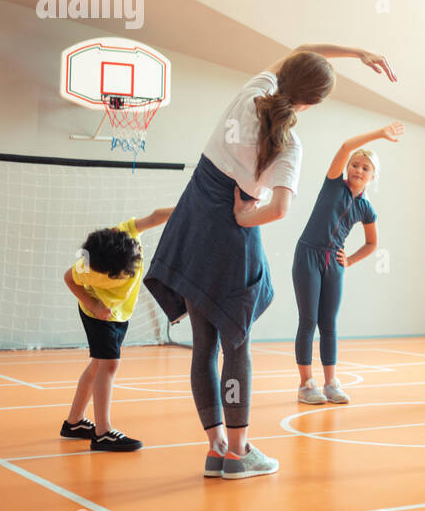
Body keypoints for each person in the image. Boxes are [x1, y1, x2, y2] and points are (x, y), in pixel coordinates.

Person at [144, 44, 395, 480]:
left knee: (204, 346)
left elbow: (300, 49)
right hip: (230, 236)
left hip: (192, 224)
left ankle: (217, 448)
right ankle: (239, 452)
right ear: (311, 103)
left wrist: (355, 53)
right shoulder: (290, 144)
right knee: (236, 343)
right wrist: (245, 216)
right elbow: (279, 209)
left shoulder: (250, 93)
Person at [294, 123, 403, 405]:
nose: (357, 170)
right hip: (308, 254)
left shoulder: (366, 207)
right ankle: (306, 384)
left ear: (372, 176)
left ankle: (331, 383)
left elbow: (372, 244)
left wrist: (349, 261)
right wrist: (379, 134)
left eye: (365, 168)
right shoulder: (333, 184)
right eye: (355, 165)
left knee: (329, 323)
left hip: (334, 263)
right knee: (308, 320)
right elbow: (345, 147)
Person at [60, 207, 173, 451]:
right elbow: (68, 278)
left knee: (99, 365)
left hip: (118, 313)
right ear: (110, 272)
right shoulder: (89, 270)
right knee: (109, 364)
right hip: (98, 314)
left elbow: (154, 217)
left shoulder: (122, 234)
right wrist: (94, 304)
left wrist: (189, 206)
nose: (136, 254)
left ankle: (74, 422)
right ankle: (102, 433)